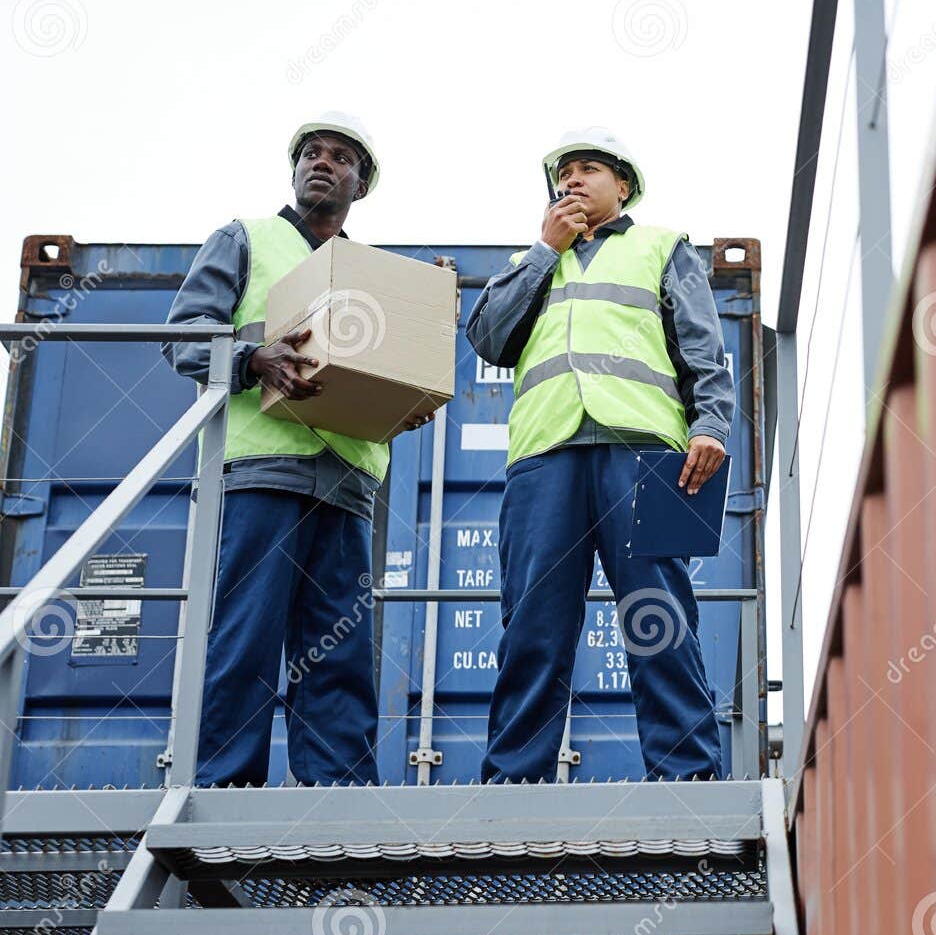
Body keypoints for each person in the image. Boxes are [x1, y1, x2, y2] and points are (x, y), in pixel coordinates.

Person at [163, 111, 431, 786]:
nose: (321, 162)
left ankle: (339, 801)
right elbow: (183, 335)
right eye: (311, 153)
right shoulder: (244, 239)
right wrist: (252, 358)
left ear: (359, 184)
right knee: (245, 637)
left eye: (339, 157)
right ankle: (222, 791)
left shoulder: (374, 279)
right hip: (262, 475)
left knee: (339, 655)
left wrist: (405, 401)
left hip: (346, 487)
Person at [467, 126, 733, 782]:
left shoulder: (663, 247)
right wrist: (542, 251)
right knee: (533, 625)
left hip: (646, 456)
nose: (572, 181)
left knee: (659, 621)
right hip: (545, 459)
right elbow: (488, 342)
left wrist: (712, 426)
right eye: (564, 174)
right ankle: (512, 783)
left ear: (624, 185)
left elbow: (702, 345)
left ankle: (688, 779)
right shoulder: (528, 262)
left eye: (589, 169)